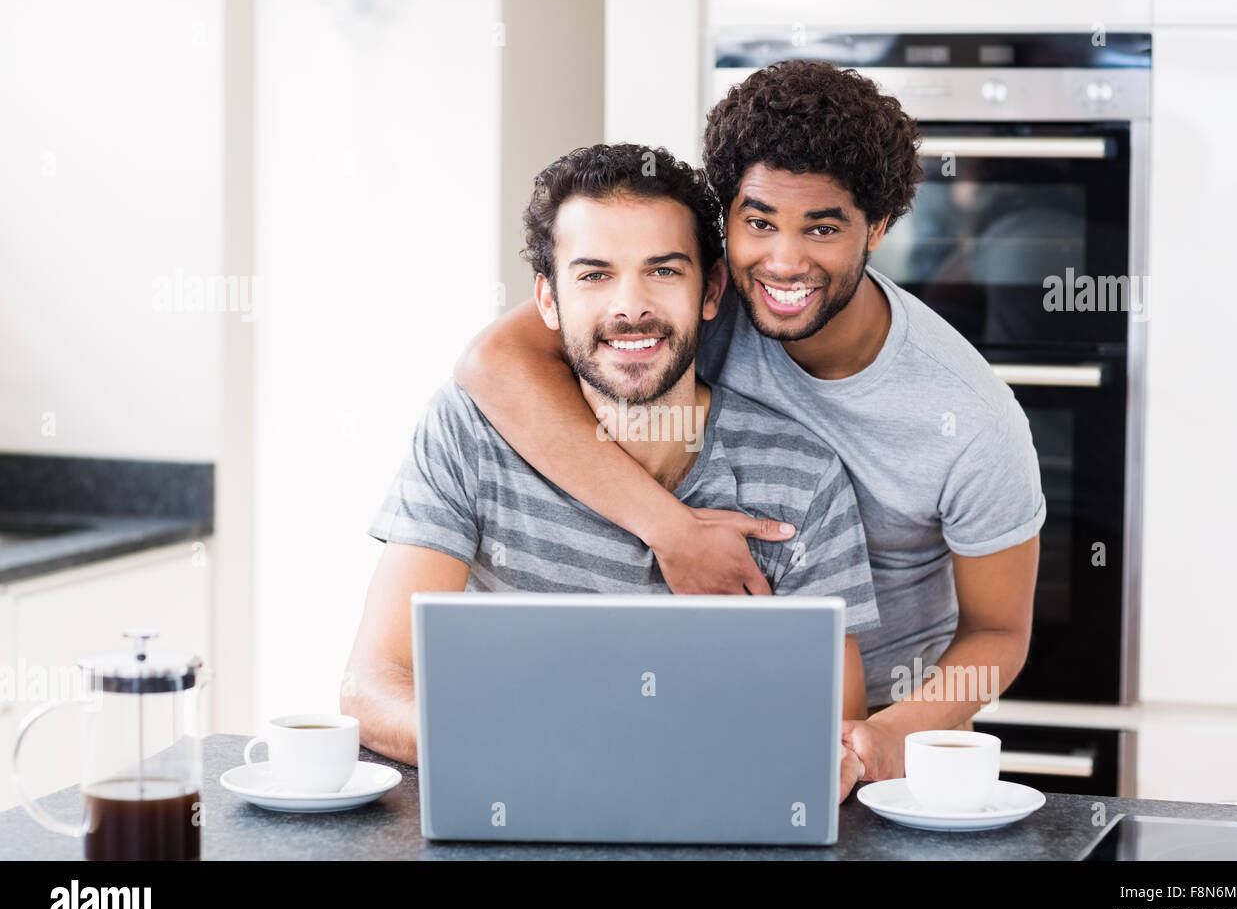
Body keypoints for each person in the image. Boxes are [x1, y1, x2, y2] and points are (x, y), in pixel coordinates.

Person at [453, 61, 1045, 785]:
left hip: (893, 721)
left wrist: (888, 736)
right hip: (733, 711)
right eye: (759, 222)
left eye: (823, 228)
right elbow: (493, 362)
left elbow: (999, 632)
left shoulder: (973, 420)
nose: (785, 261)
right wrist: (669, 529)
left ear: (878, 228)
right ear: (725, 218)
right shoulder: (697, 295)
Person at [344, 143, 880, 802]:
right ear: (547, 300)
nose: (630, 307)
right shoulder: (467, 432)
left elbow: (834, 728)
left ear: (710, 291)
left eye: (662, 271)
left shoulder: (802, 474)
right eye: (594, 274)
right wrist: (540, 747)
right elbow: (371, 687)